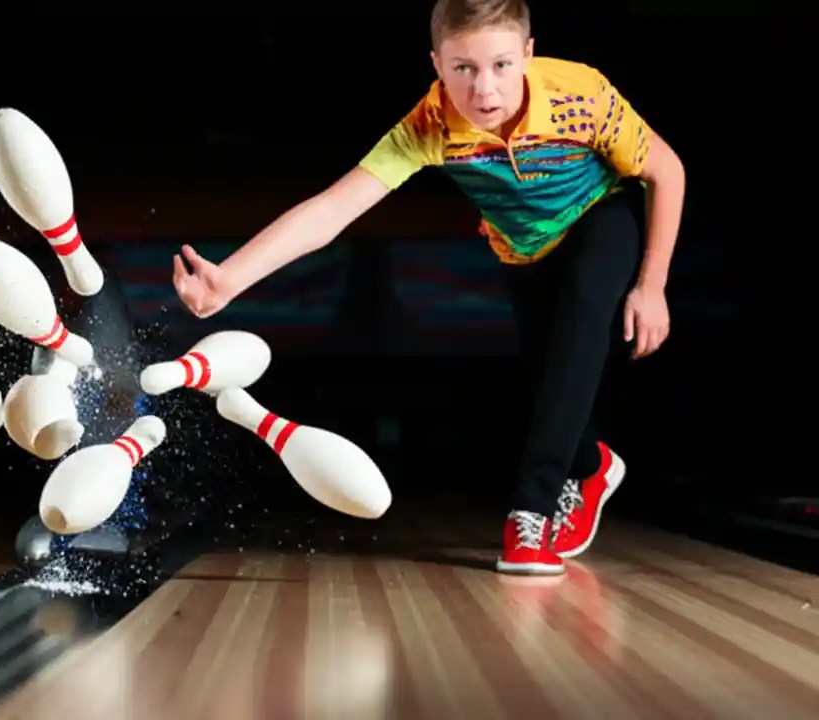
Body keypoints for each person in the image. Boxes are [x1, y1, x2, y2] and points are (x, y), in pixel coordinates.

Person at [170, 0, 685, 575]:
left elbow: (667, 171)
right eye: (463, 68)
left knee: (584, 323)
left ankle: (530, 515)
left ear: (529, 56)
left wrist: (652, 284)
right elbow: (334, 210)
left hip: (601, 215)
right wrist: (231, 278)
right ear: (437, 64)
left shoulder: (581, 95)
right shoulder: (430, 125)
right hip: (523, 250)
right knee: (554, 382)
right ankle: (591, 467)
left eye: (501, 65)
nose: (483, 89)